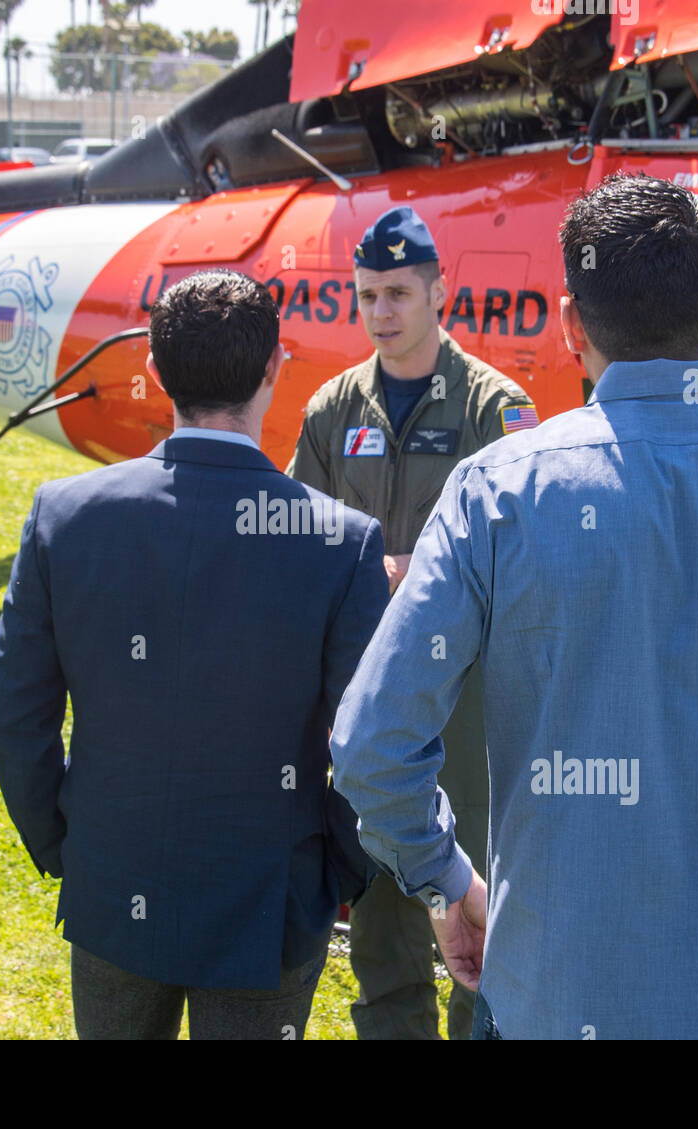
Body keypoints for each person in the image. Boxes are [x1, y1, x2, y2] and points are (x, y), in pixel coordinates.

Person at [329, 173, 698, 1039]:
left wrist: (447, 882)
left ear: (572, 326)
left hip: (548, 1001)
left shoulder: (497, 494)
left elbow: (372, 746)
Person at [0, 269, 389, 1040]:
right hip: (270, 891)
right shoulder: (341, 541)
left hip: (117, 873)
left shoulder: (65, 517)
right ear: (275, 367)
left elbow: (14, 710)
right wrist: (336, 870)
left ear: (154, 372)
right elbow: (366, 741)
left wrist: (66, 841)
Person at [287, 204, 537, 1040]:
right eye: (367, 296)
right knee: (386, 914)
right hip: (375, 690)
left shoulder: (496, 410)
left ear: (439, 290)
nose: (382, 312)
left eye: (398, 292)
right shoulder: (331, 410)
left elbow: (526, 556)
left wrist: (406, 571)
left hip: (471, 702)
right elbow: (302, 537)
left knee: (479, 895)